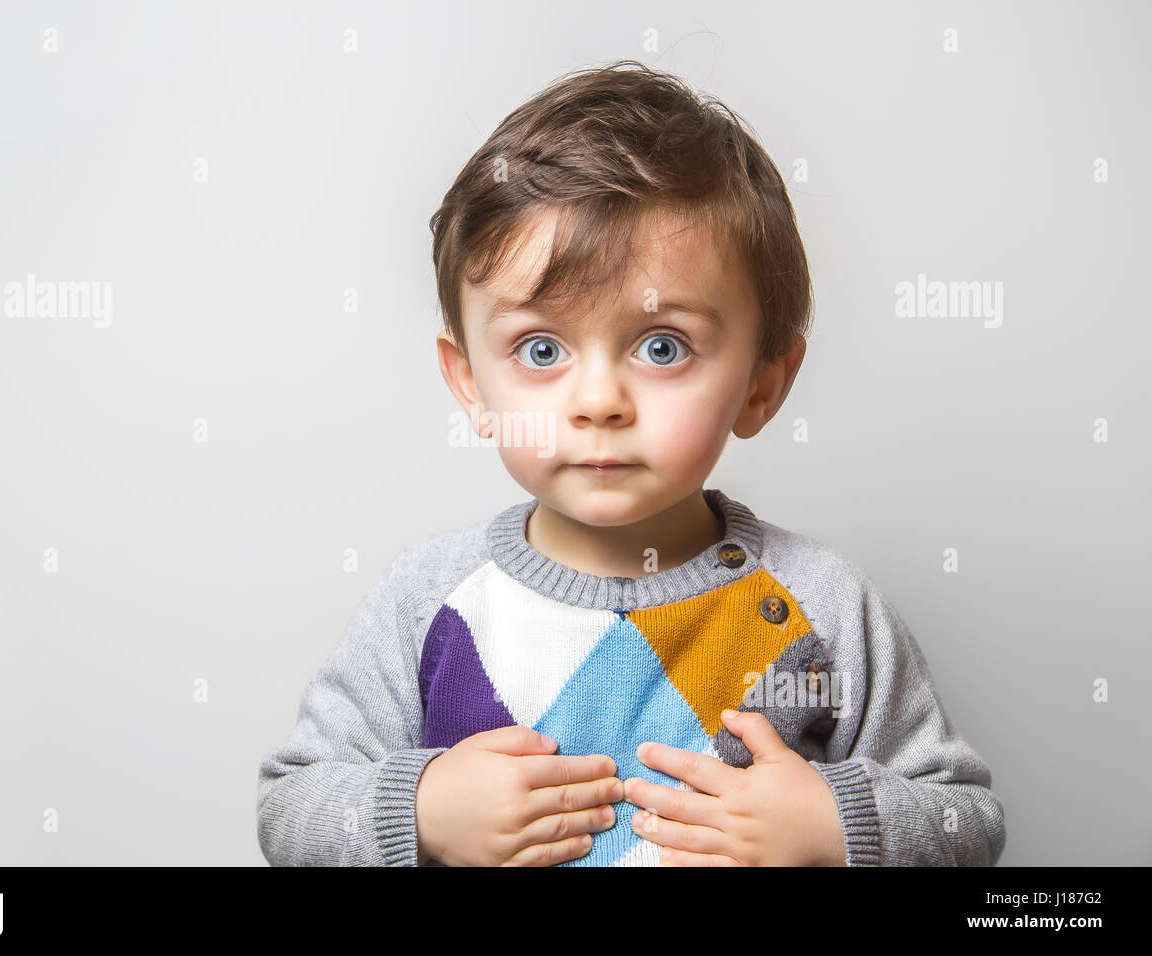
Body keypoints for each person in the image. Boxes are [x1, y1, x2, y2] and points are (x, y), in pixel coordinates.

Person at [257, 59, 1006, 867]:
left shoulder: (822, 608)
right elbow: (291, 806)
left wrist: (833, 828)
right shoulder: (426, 604)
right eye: (541, 348)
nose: (599, 401)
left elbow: (966, 820)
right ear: (471, 383)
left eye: (661, 346)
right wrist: (422, 806)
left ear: (761, 385)